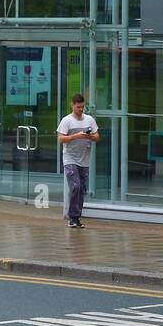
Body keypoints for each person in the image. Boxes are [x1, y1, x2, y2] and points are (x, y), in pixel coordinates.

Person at [57, 93, 99, 228]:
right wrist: (76, 136)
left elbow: (97, 136)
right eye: (78, 107)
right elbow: (61, 139)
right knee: (75, 186)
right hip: (70, 158)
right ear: (72, 105)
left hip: (84, 159)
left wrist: (89, 136)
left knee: (81, 189)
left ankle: (77, 217)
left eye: (82, 107)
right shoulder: (66, 120)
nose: (81, 109)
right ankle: (72, 217)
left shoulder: (90, 120)